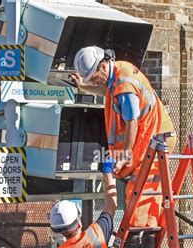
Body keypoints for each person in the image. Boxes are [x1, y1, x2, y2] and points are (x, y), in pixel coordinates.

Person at [71, 46, 176, 228]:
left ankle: (139, 238)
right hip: (152, 139)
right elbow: (107, 92)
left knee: (141, 192)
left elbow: (132, 122)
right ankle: (142, 238)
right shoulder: (118, 75)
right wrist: (84, 86)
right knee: (141, 192)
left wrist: (125, 155)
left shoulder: (125, 85)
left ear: (102, 67)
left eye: (94, 78)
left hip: (156, 140)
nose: (95, 82)